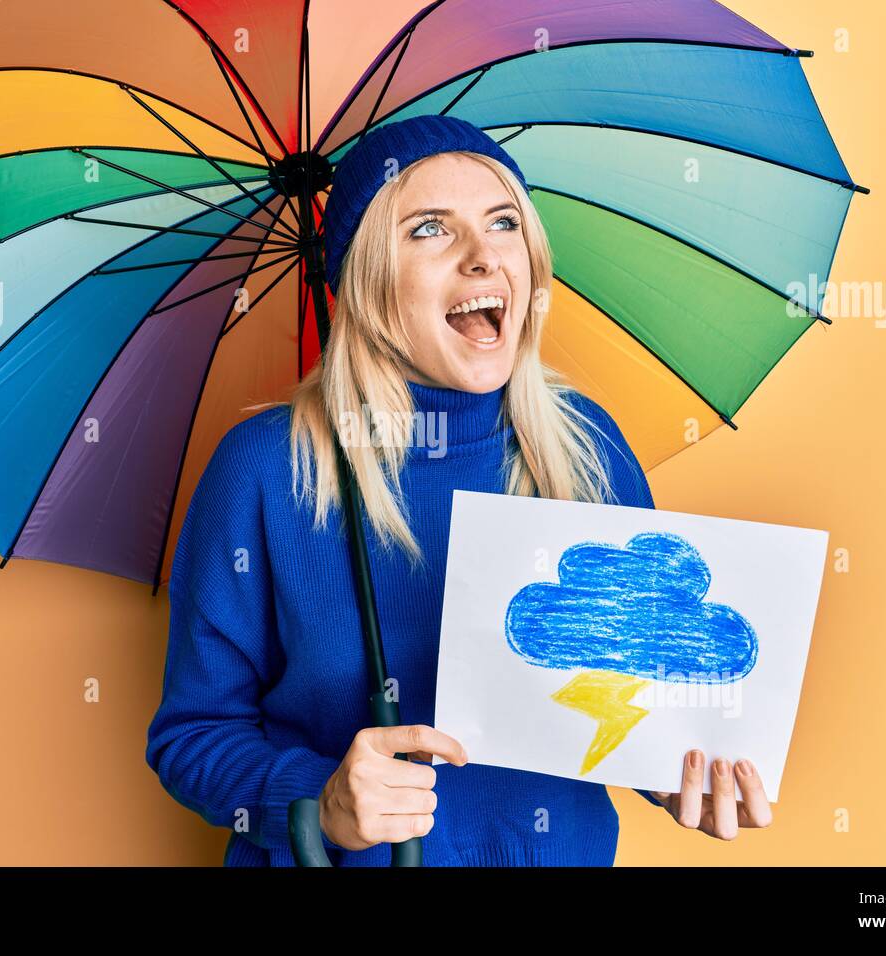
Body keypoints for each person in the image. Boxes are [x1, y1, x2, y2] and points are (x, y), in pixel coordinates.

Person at [146, 114, 772, 866]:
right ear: (366, 281)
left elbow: (629, 695)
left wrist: (678, 772)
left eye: (503, 222)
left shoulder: (585, 447)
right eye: (429, 230)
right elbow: (191, 738)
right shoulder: (267, 467)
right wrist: (318, 800)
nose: (483, 258)